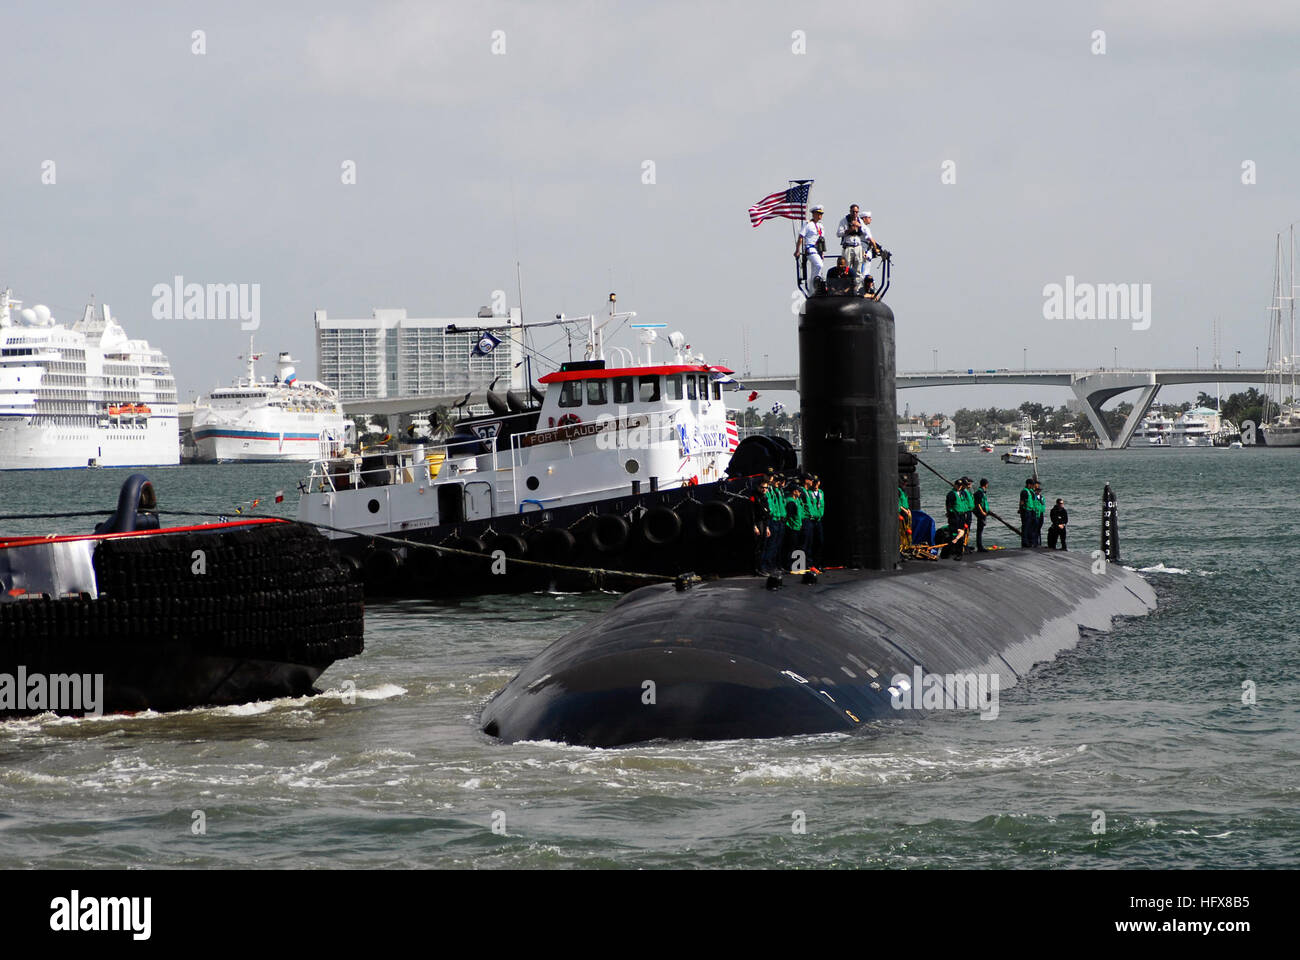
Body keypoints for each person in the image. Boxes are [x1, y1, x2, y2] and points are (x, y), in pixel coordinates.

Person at [796, 205, 827, 284]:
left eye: (821, 214)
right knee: (819, 265)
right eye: (818, 213)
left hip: (818, 249)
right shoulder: (808, 224)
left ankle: (813, 287)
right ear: (814, 214)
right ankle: (815, 282)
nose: (820, 215)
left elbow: (821, 240)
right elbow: (800, 237)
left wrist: (822, 252)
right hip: (810, 248)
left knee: (816, 269)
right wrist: (797, 250)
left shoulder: (821, 226)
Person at [836, 204, 870, 276]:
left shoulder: (860, 221)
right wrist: (850, 230)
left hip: (858, 247)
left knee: (858, 268)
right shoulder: (844, 221)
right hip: (848, 246)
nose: (855, 214)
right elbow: (839, 233)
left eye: (856, 212)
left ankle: (856, 285)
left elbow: (866, 233)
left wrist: (859, 226)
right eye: (853, 212)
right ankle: (846, 284)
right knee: (846, 267)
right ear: (850, 211)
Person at [803, 476, 825, 570]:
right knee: (810, 542)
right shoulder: (808, 492)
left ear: (819, 483)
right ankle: (809, 563)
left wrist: (819, 515)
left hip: (818, 520)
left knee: (820, 541)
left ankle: (817, 563)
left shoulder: (821, 493)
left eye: (817, 482)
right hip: (811, 520)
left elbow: (822, 505)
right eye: (814, 482)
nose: (815, 484)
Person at [973, 478, 990, 552]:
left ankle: (980, 545)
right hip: (981, 513)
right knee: (979, 530)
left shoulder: (982, 492)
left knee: (981, 529)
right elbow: (978, 504)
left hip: (983, 512)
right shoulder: (979, 493)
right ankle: (980, 546)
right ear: (986, 484)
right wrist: (982, 512)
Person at [1018, 477, 1034, 548]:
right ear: (1028, 484)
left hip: (1029, 510)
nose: (1032, 486)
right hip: (1026, 511)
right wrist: (1021, 510)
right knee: (1025, 527)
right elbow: (1022, 502)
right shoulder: (1025, 491)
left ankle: (1029, 541)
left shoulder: (1029, 491)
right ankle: (1025, 542)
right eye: (1031, 484)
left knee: (1029, 527)